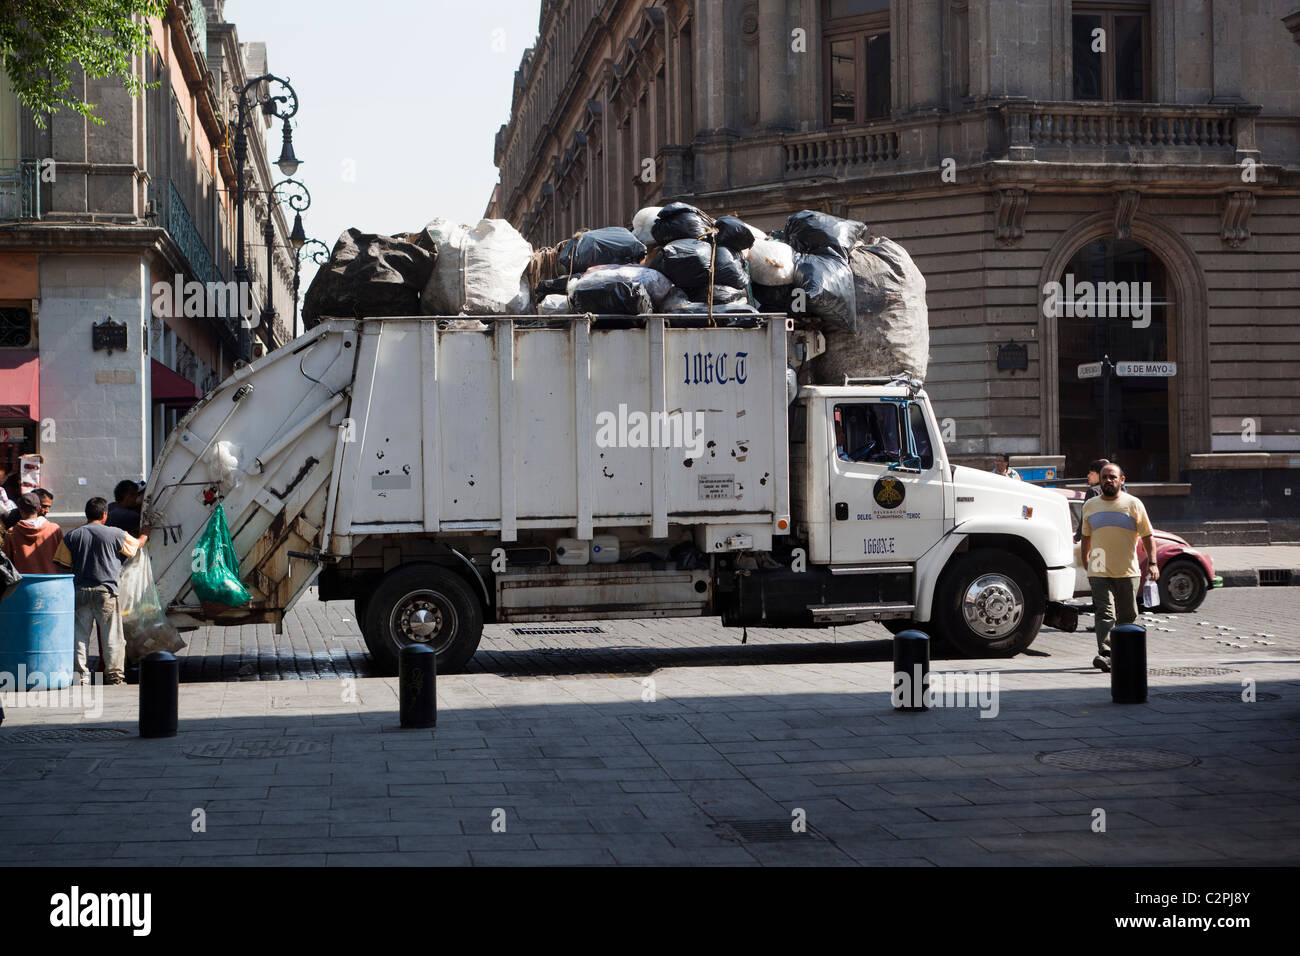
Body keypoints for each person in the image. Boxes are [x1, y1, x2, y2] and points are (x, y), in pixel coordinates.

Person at [53, 497, 148, 686]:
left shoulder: (72, 536)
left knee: (79, 636)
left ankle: (80, 676)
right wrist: (145, 533)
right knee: (112, 636)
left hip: (79, 591)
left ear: (86, 514)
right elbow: (136, 546)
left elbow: (61, 564)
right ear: (105, 515)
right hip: (106, 592)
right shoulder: (116, 534)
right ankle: (114, 677)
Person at [1080, 463, 1158, 673]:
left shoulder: (1133, 504)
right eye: (1104, 477)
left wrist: (1152, 562)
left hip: (1127, 570)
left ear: (1122, 480)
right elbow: (1086, 537)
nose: (1108, 480)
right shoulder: (1090, 505)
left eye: (1112, 477)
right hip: (1098, 569)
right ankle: (1105, 654)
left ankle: (1122, 655)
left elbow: (1148, 536)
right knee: (1104, 613)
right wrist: (1086, 561)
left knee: (1127, 616)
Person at [2, 492, 63, 574]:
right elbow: (64, 559)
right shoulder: (55, 529)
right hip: (52, 582)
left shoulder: (12, 533)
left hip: (25, 583)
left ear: (20, 510)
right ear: (39, 508)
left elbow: (6, 562)